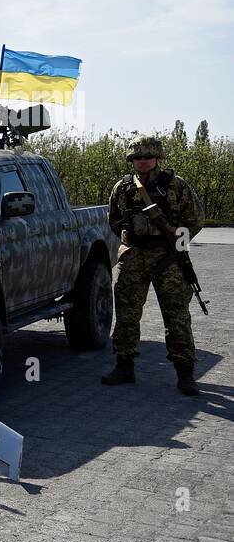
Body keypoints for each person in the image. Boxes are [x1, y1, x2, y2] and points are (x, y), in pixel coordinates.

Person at [101, 137, 204, 395]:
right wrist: (134, 243)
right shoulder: (123, 187)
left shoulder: (176, 186)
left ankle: (185, 374)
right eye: (138, 157)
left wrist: (174, 245)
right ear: (131, 160)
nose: (143, 161)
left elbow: (196, 220)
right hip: (134, 256)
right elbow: (114, 221)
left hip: (167, 258)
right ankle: (124, 366)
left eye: (148, 156)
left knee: (177, 316)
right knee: (126, 314)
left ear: (158, 158)